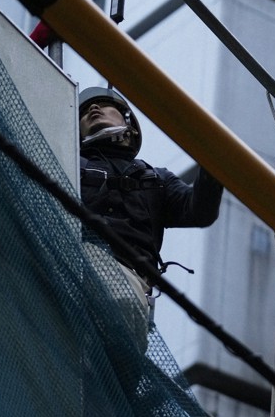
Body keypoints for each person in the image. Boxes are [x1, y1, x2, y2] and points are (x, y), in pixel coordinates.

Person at [78, 86, 224, 332]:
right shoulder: (67, 160)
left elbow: (200, 210)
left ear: (130, 126)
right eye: (84, 111)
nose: (93, 109)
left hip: (128, 283)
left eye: (104, 105)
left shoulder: (156, 179)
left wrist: (213, 159)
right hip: (75, 262)